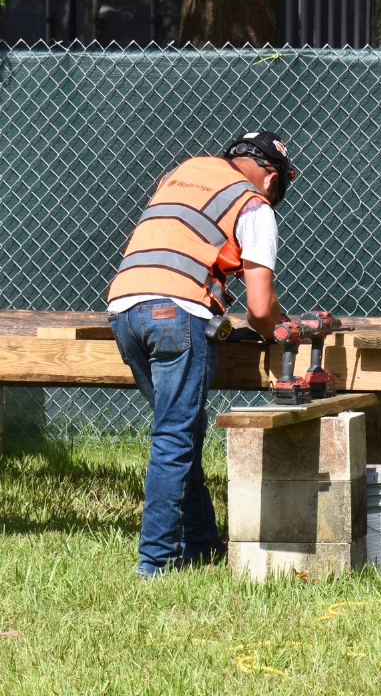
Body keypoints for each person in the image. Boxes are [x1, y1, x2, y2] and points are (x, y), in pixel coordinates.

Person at [106, 131, 296, 579]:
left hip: (123, 309)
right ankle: (155, 562)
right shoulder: (254, 205)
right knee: (175, 436)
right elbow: (260, 309)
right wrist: (281, 331)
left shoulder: (183, 173)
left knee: (180, 429)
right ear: (272, 180)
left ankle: (201, 542)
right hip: (177, 312)